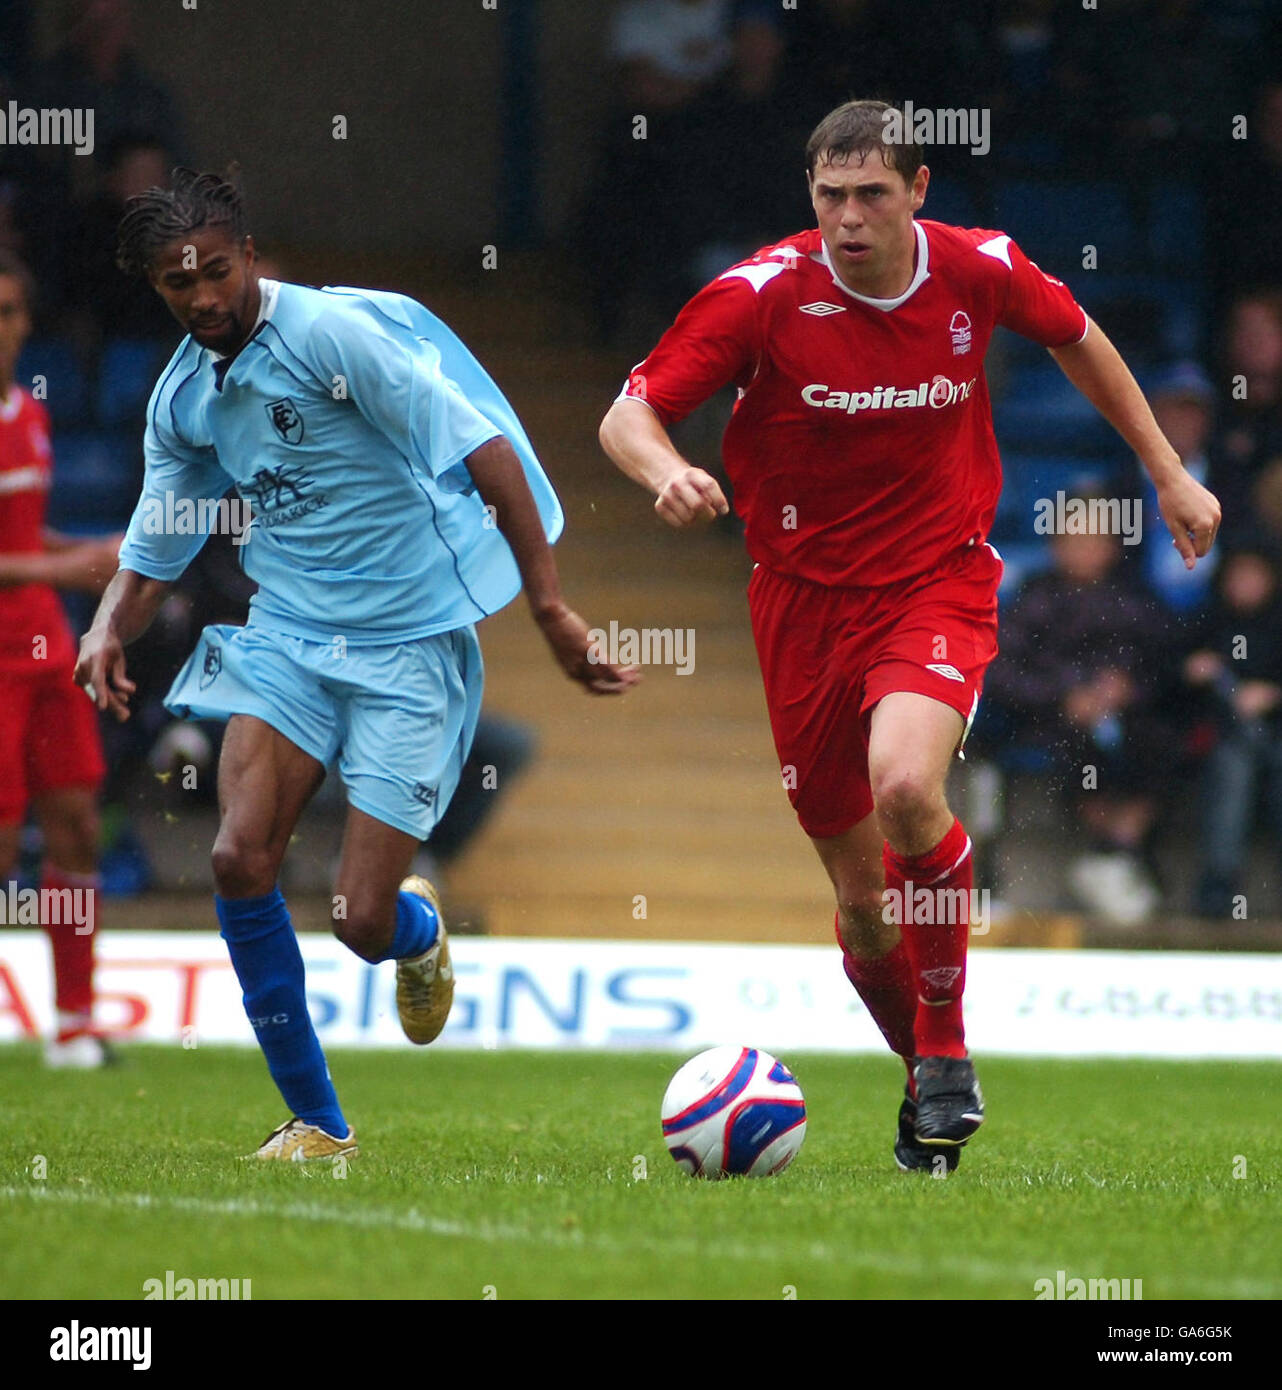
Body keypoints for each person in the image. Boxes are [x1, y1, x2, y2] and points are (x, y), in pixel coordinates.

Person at [598, 99, 1219, 1172]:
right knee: (859, 901)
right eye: (829, 196)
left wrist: (1165, 470)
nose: (847, 218)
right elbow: (627, 413)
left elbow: (1080, 340)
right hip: (797, 605)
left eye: (870, 194)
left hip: (935, 587)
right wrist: (670, 471)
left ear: (917, 192)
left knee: (903, 788)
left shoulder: (978, 269)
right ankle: (923, 1087)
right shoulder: (761, 295)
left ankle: (943, 1052)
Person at [76, 169, 636, 1162]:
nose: (202, 295)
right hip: (287, 632)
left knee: (357, 919)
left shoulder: (335, 339)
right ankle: (319, 1123)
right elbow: (159, 536)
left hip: (410, 644)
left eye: (214, 270)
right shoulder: (182, 398)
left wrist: (549, 609)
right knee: (237, 858)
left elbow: (487, 452)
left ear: (247, 256)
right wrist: (109, 625)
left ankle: (413, 933)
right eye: (176, 282)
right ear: (157, 290)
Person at [0, 251, 119, 1066]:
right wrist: (69, 566)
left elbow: (20, 539)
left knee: (75, 823)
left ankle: (74, 1023)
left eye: (9, 309)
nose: (1, 325)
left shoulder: (25, 411)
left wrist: (86, 550)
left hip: (45, 647)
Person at [1183, 541, 1282, 918]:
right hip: (1222, 738)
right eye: (1237, 575)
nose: (1245, 584)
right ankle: (1218, 886)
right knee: (1231, 769)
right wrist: (1190, 672)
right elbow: (1166, 677)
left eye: (1254, 575)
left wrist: (1272, 695)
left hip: (1275, 735)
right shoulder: (1207, 621)